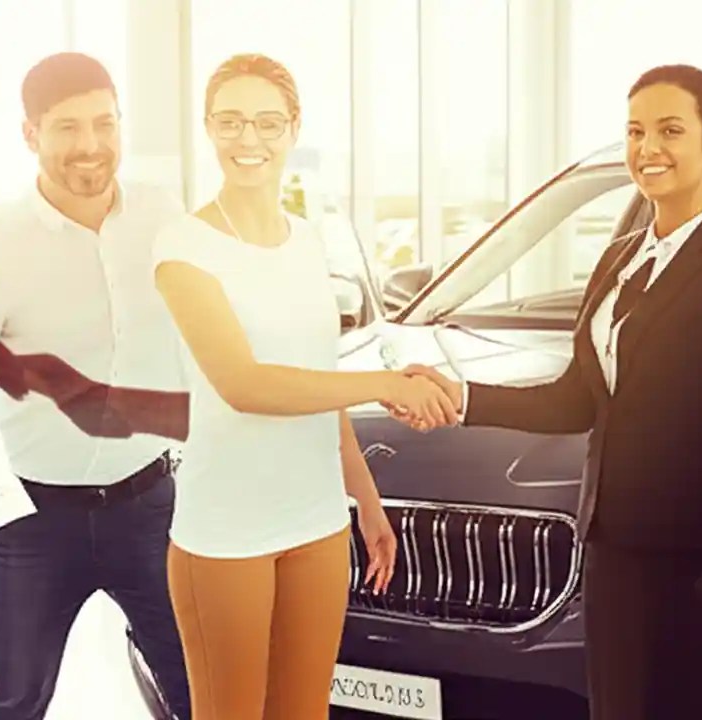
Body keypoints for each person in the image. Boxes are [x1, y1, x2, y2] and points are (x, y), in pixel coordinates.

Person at [401, 64, 702, 720]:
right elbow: (576, 400)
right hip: (611, 550)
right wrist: (460, 396)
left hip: (698, 557)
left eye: (671, 130)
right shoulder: (619, 259)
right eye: (636, 131)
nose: (648, 149)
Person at [150, 53, 458, 719]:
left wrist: (365, 497)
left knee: (305, 713)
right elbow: (245, 384)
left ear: (293, 129)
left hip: (317, 522)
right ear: (207, 128)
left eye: (266, 121)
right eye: (230, 122)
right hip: (227, 529)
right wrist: (385, 383)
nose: (248, 140)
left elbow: (317, 378)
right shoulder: (182, 246)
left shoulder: (307, 242)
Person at [0, 52, 192, 719]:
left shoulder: (162, 214)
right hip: (32, 522)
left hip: (150, 506)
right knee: (15, 704)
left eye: (104, 122)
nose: (90, 145)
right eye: (67, 127)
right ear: (30, 134)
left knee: (198, 692)